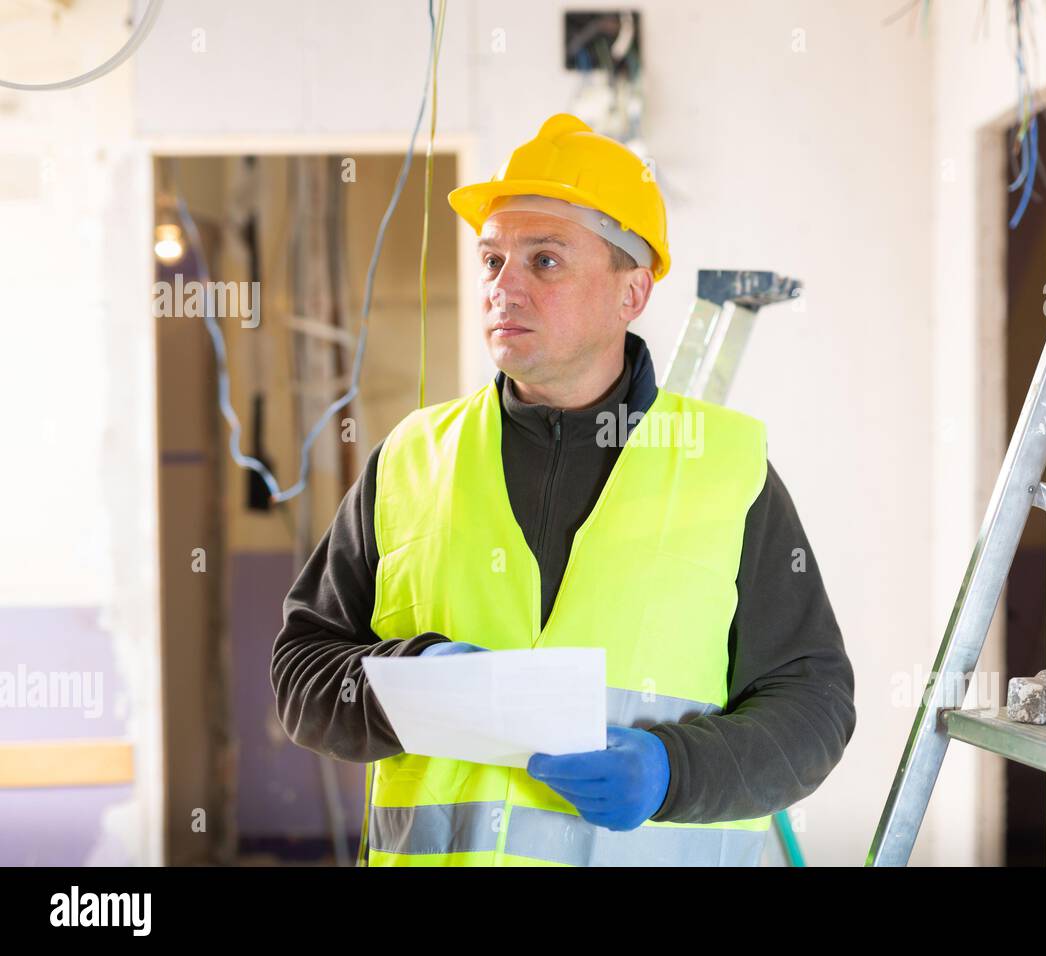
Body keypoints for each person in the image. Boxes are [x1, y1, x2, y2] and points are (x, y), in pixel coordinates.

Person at [271, 113, 855, 866]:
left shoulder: (726, 467)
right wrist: (408, 681)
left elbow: (813, 707)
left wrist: (675, 769)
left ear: (631, 291)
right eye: (491, 261)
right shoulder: (411, 460)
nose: (503, 287)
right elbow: (301, 675)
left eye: (543, 261)